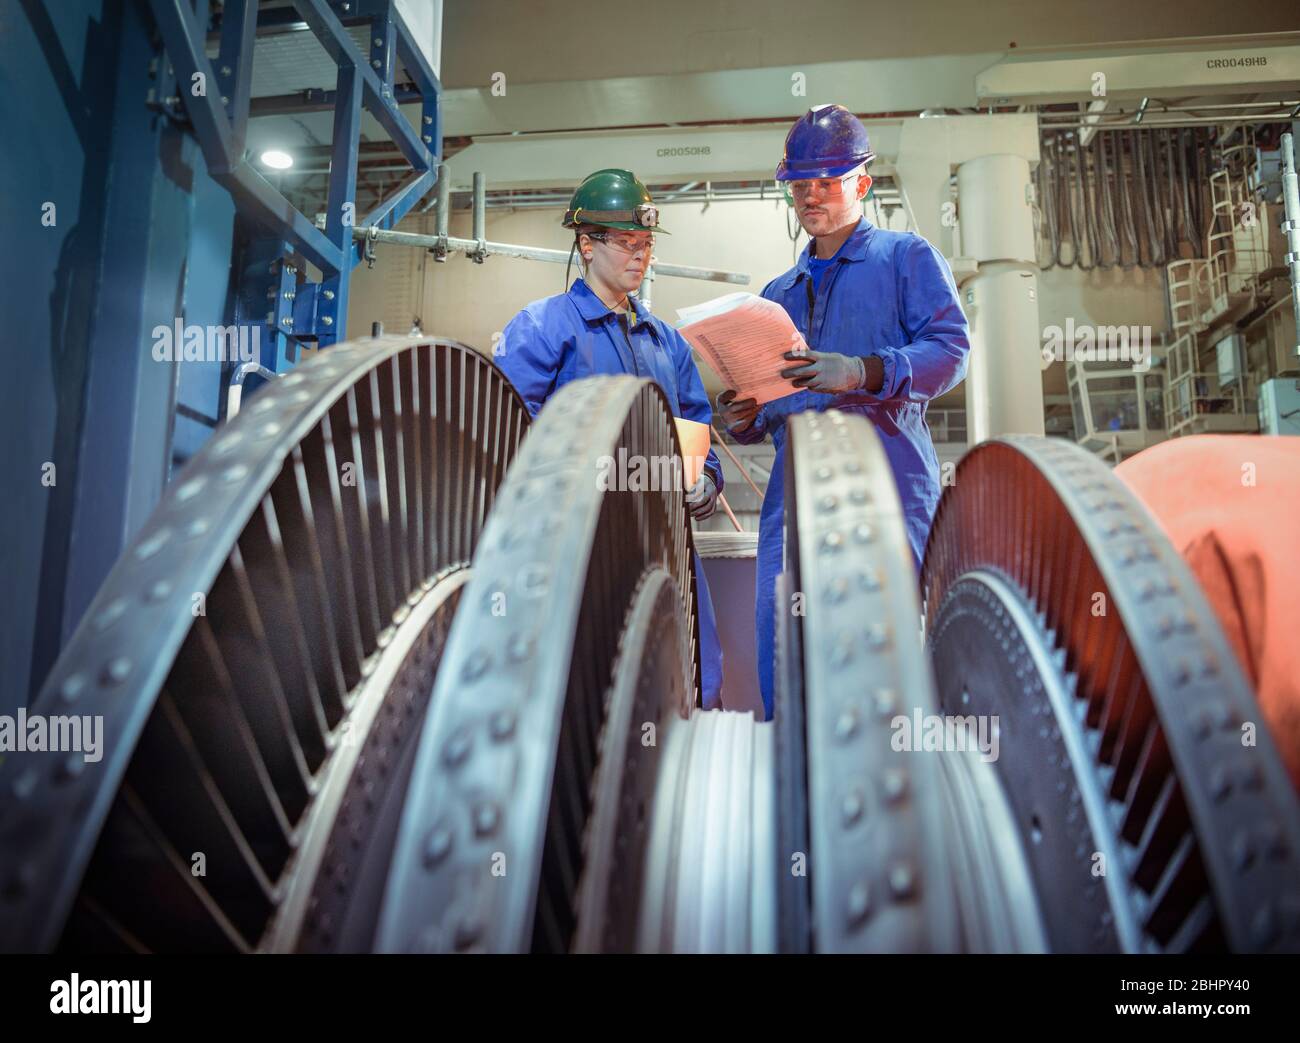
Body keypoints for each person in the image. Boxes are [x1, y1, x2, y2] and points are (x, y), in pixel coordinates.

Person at [718, 105, 970, 720]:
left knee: (895, 656)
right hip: (795, 499)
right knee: (786, 650)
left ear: (863, 182)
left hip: (887, 486)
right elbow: (776, 407)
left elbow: (951, 350)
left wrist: (863, 371)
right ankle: (796, 795)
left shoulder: (906, 259)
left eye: (825, 182)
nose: (810, 195)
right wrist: (745, 415)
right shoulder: (777, 295)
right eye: (799, 185)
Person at [496, 168, 726, 709]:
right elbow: (505, 437)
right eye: (626, 242)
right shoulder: (543, 328)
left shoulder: (666, 342)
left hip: (667, 548)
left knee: (688, 680)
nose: (640, 255)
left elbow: (696, 433)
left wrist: (707, 483)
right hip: (575, 552)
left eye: (645, 244)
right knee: (584, 698)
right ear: (586, 244)